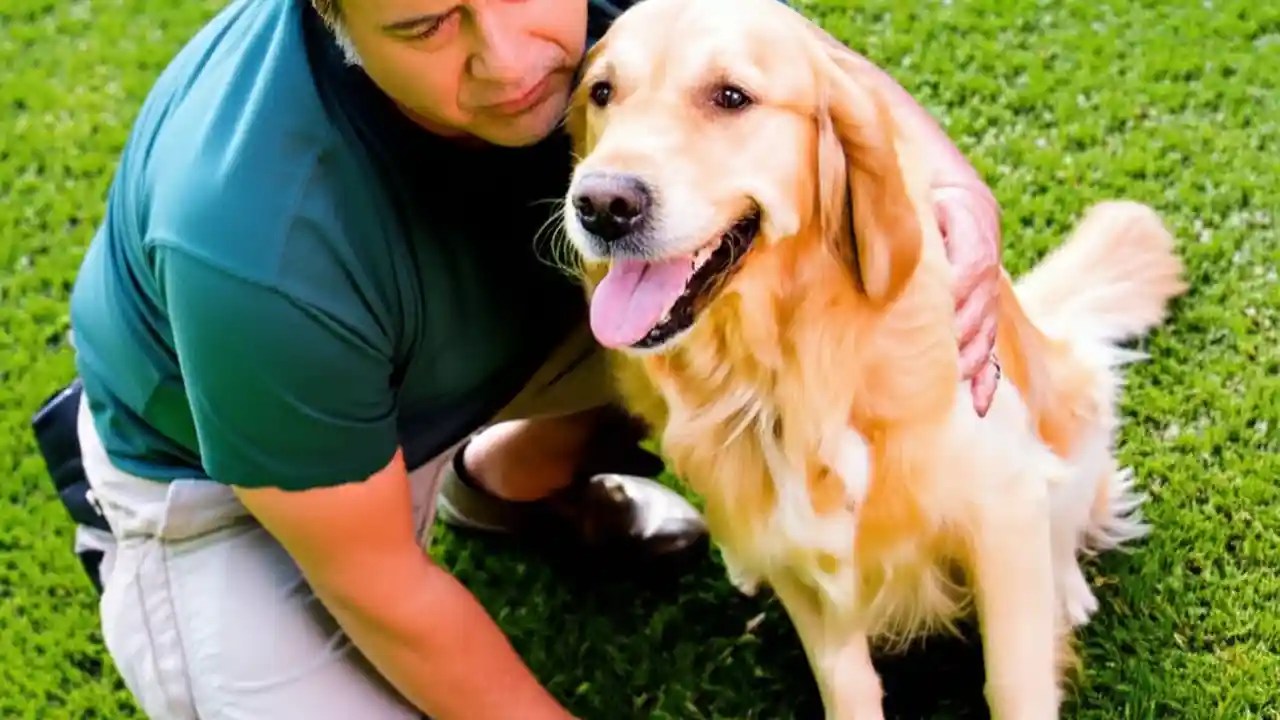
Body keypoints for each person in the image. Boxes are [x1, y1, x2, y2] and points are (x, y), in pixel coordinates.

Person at [52, 0, 1003, 717]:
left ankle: (507, 477)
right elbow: (383, 593)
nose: (508, 61)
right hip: (240, 485)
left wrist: (952, 182)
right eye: (424, 26)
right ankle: (145, 554)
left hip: (528, 322)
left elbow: (803, 63)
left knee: (762, 301)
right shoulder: (249, 236)